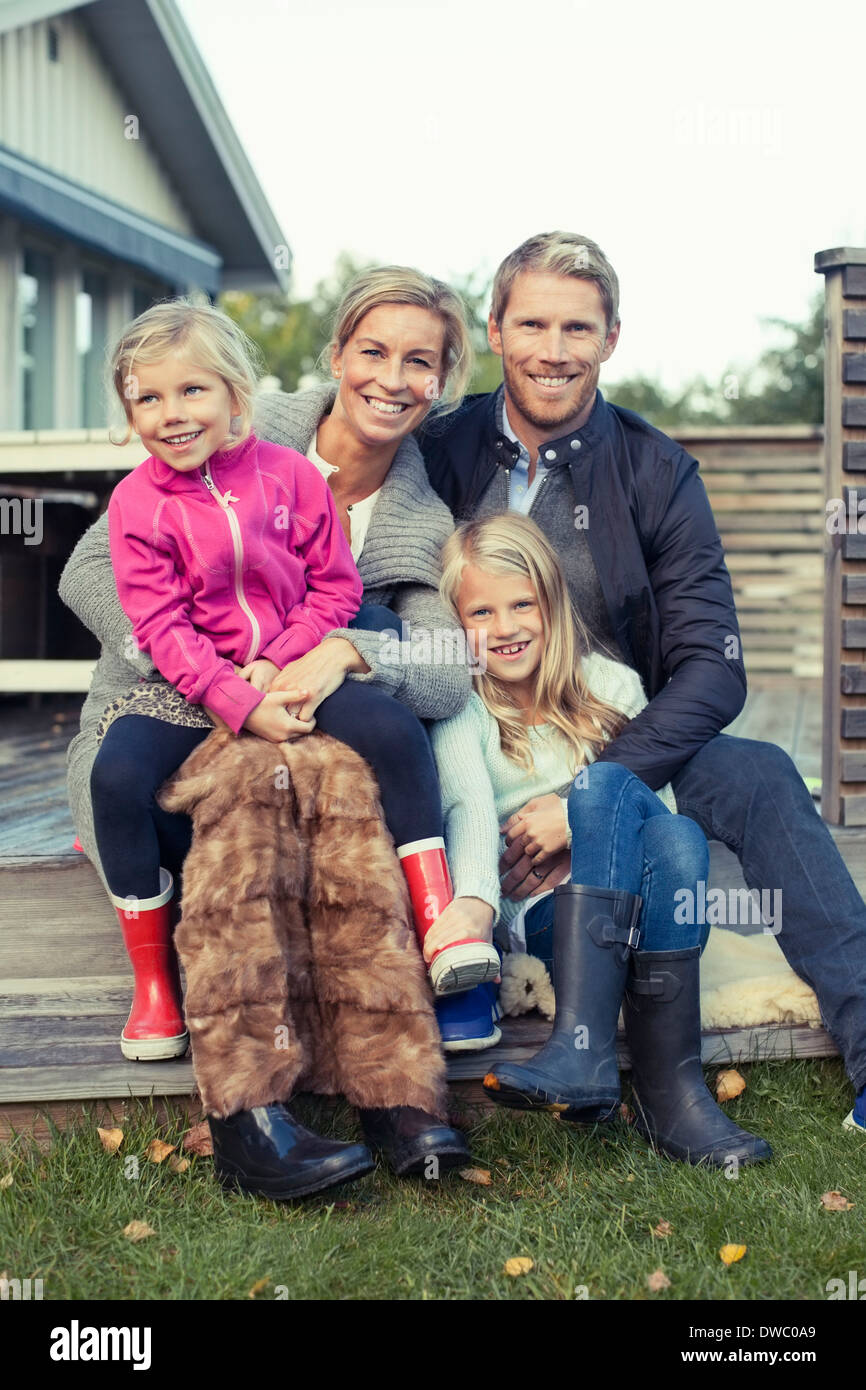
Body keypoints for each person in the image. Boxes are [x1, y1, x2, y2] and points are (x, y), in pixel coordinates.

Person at [420, 231, 866, 1137]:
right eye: (534, 323)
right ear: (497, 330)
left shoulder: (657, 470)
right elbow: (333, 447)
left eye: (578, 327)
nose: (555, 349)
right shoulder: (434, 447)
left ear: (612, 338)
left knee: (763, 774)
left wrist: (594, 792)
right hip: (475, 738)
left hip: (622, 735)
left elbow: (714, 665)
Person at [59, 267, 485, 1196]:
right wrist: (220, 688)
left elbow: (446, 669)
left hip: (301, 708)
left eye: (420, 361)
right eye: (371, 351)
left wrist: (341, 654)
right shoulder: (221, 439)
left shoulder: (414, 513)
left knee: (346, 787)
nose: (391, 376)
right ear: (333, 358)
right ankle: (250, 1111)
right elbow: (93, 582)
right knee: (255, 799)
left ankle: (393, 1086)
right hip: (170, 704)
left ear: (443, 383)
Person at [430, 513, 771, 1166]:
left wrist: (575, 821)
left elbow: (659, 825)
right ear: (456, 624)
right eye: (481, 612)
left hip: (651, 910)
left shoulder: (611, 688)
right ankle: (649, 1078)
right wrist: (479, 906)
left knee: (663, 826)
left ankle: (636, 1079)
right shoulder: (463, 712)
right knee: (610, 792)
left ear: (552, 604)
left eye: (522, 603)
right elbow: (470, 817)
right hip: (547, 920)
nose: (505, 628)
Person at [94, 299, 362, 1063]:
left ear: (236, 395)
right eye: (147, 397)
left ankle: (449, 929)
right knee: (116, 776)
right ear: (128, 410)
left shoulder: (292, 478)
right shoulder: (135, 504)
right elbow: (162, 628)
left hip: (290, 671)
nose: (171, 414)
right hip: (190, 691)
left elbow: (336, 589)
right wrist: (239, 704)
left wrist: (279, 662)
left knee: (397, 737)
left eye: (191, 391)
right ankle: (154, 981)